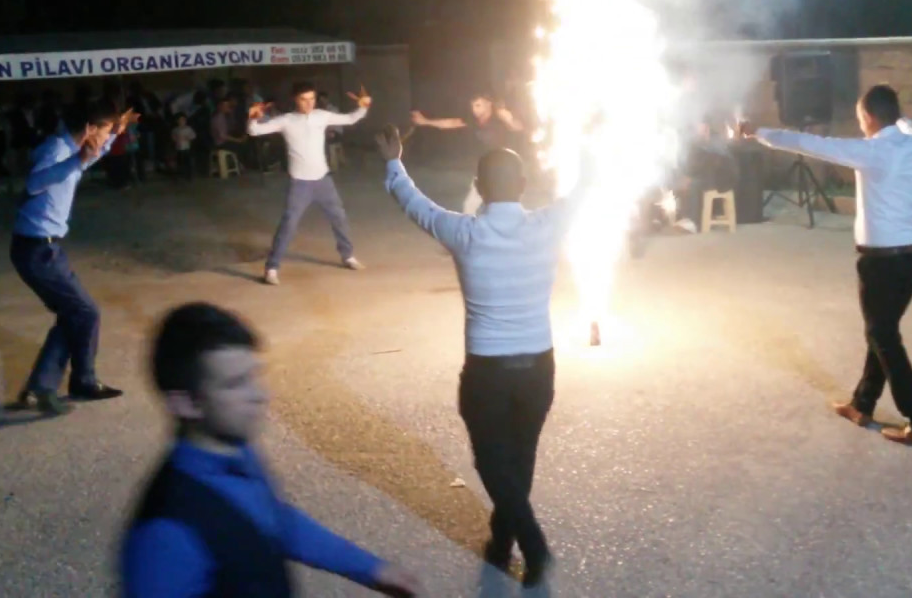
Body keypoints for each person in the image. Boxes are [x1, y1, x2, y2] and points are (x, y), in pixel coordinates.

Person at [374, 125, 588, 587]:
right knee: (520, 457)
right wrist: (591, 149)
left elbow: (416, 206)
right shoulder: (549, 224)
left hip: (487, 371)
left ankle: (531, 544)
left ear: (478, 188)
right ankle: (500, 542)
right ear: (524, 186)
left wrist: (395, 163)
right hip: (537, 367)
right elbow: (587, 190)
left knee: (492, 463)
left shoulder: (465, 232)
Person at [120, 302, 423, 597]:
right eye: (235, 384)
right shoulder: (164, 533)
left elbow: (270, 519)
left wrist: (370, 569)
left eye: (254, 376)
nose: (260, 395)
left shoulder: (233, 449)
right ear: (184, 403)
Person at [745, 85, 912, 445]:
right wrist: (902, 120)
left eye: (860, 118)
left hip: (882, 263)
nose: (860, 125)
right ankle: (862, 404)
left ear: (868, 118)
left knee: (882, 334)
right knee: (879, 332)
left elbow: (808, 144)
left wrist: (758, 133)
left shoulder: (872, 152)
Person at [5, 99, 136, 415]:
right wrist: (77, 159)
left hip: (43, 248)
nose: (105, 140)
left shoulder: (70, 149)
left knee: (75, 313)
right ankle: (70, 384)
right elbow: (35, 183)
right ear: (90, 129)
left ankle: (55, 386)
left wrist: (115, 134)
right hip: (37, 250)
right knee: (85, 312)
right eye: (104, 133)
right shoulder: (57, 151)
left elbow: (85, 161)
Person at [247, 82, 372, 285]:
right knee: (289, 225)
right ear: (295, 100)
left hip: (323, 180)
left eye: (312, 99)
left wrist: (363, 106)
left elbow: (350, 119)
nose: (309, 103)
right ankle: (272, 267)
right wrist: (253, 117)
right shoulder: (286, 120)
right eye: (304, 99)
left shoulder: (322, 116)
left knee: (339, 217)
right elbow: (255, 131)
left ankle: (347, 256)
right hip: (300, 184)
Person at [409, 94, 525, 214]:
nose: (474, 110)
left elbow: (518, 127)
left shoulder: (498, 117)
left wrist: (509, 119)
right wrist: (425, 121)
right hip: (486, 170)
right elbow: (452, 123)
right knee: (470, 206)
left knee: (508, 204)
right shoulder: (474, 121)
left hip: (504, 169)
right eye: (473, 106)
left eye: (478, 105)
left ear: (488, 104)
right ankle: (474, 229)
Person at [172, 113, 197, 181]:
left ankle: (189, 175)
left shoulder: (188, 129)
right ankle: (181, 174)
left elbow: (193, 136)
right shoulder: (175, 129)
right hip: (179, 148)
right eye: (180, 120)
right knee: (180, 162)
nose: (182, 121)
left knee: (188, 162)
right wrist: (176, 139)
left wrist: (187, 138)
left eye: (183, 120)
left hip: (186, 148)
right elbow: (173, 137)